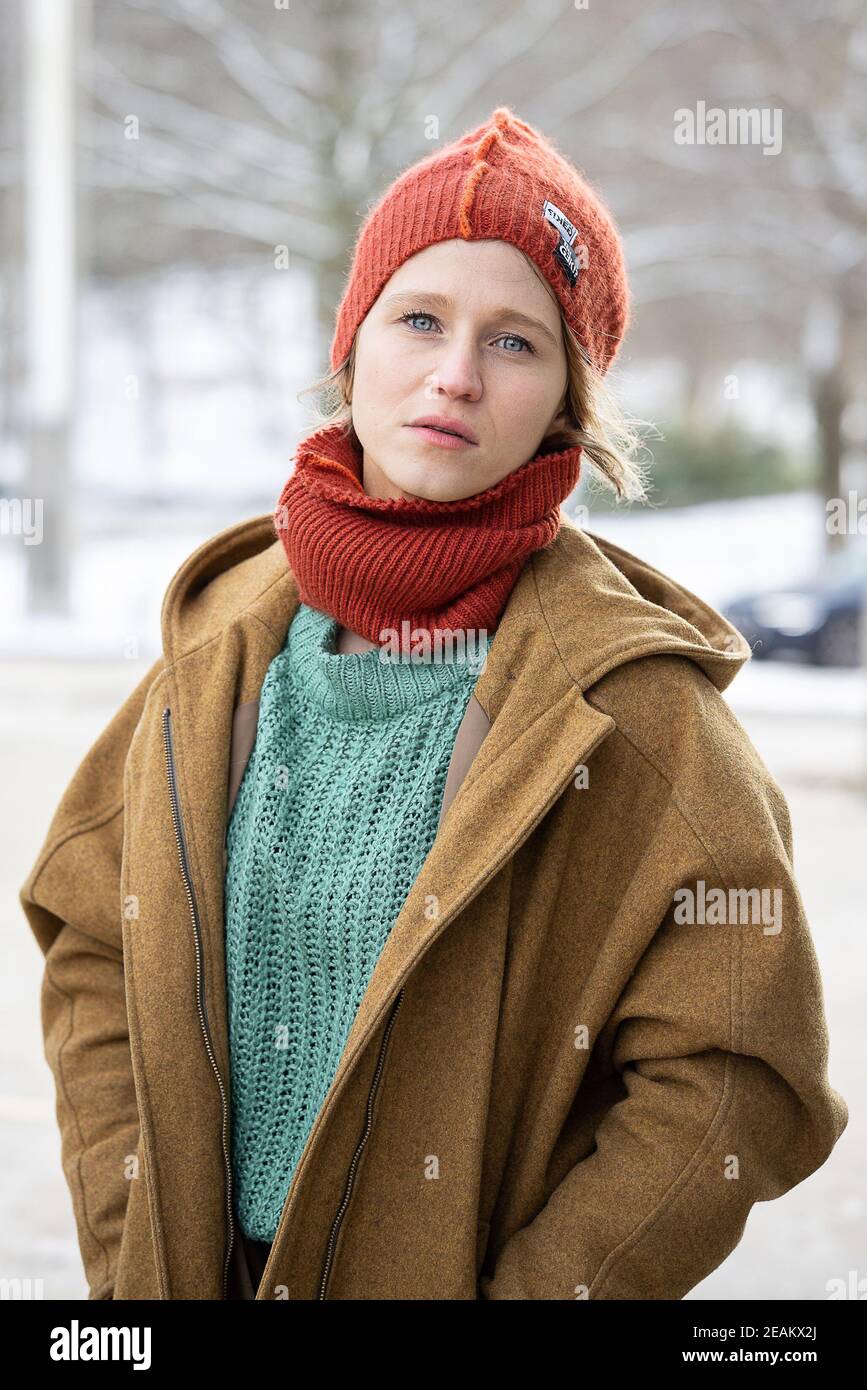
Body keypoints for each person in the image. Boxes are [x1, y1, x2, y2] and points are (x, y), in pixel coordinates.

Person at [20, 106, 847, 1302]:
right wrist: (129, 1229)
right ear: (354, 348)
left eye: (516, 342)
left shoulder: (635, 713)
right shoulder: (220, 649)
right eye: (421, 319)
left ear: (569, 401)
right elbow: (95, 934)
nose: (455, 374)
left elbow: (744, 1076)